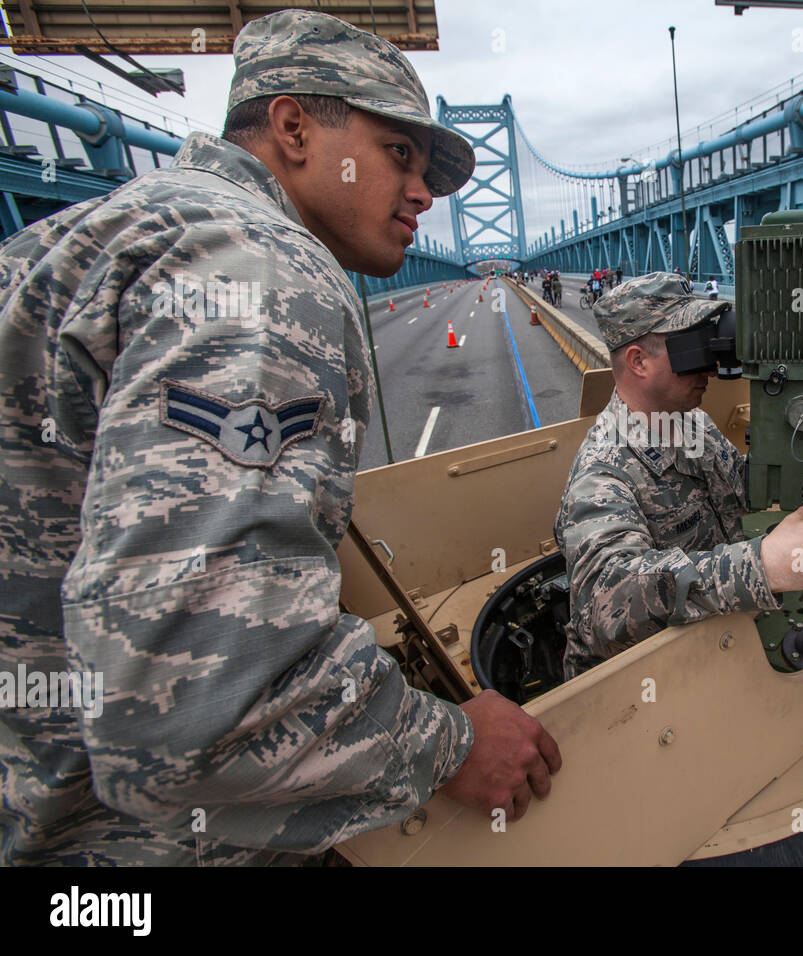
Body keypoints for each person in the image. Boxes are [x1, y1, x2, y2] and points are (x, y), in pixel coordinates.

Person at [0, 9, 559, 866]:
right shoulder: (258, 265)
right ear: (294, 127)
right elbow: (195, 700)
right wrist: (446, 745)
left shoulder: (79, 237)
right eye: (399, 154)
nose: (425, 194)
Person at [553, 273, 803, 679]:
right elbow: (606, 602)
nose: (710, 370)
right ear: (638, 362)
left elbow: (737, 484)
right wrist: (765, 564)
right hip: (638, 681)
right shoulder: (603, 469)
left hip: (713, 630)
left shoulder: (690, 422)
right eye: (689, 351)